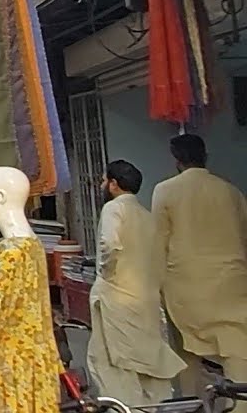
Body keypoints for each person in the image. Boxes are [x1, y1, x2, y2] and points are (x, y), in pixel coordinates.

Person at [151, 134, 247, 395]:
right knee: (237, 349)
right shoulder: (231, 191)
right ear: (205, 156)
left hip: (185, 285)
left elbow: (158, 241)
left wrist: (155, 286)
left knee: (186, 351)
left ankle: (194, 401)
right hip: (232, 282)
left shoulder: (165, 190)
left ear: (176, 160)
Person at [87, 160, 184, 405]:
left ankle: (124, 409)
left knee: (112, 365)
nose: (101, 185)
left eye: (103, 180)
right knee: (148, 365)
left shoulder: (113, 209)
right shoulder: (147, 216)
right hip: (145, 302)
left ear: (113, 184)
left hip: (116, 300)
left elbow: (110, 244)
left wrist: (106, 274)